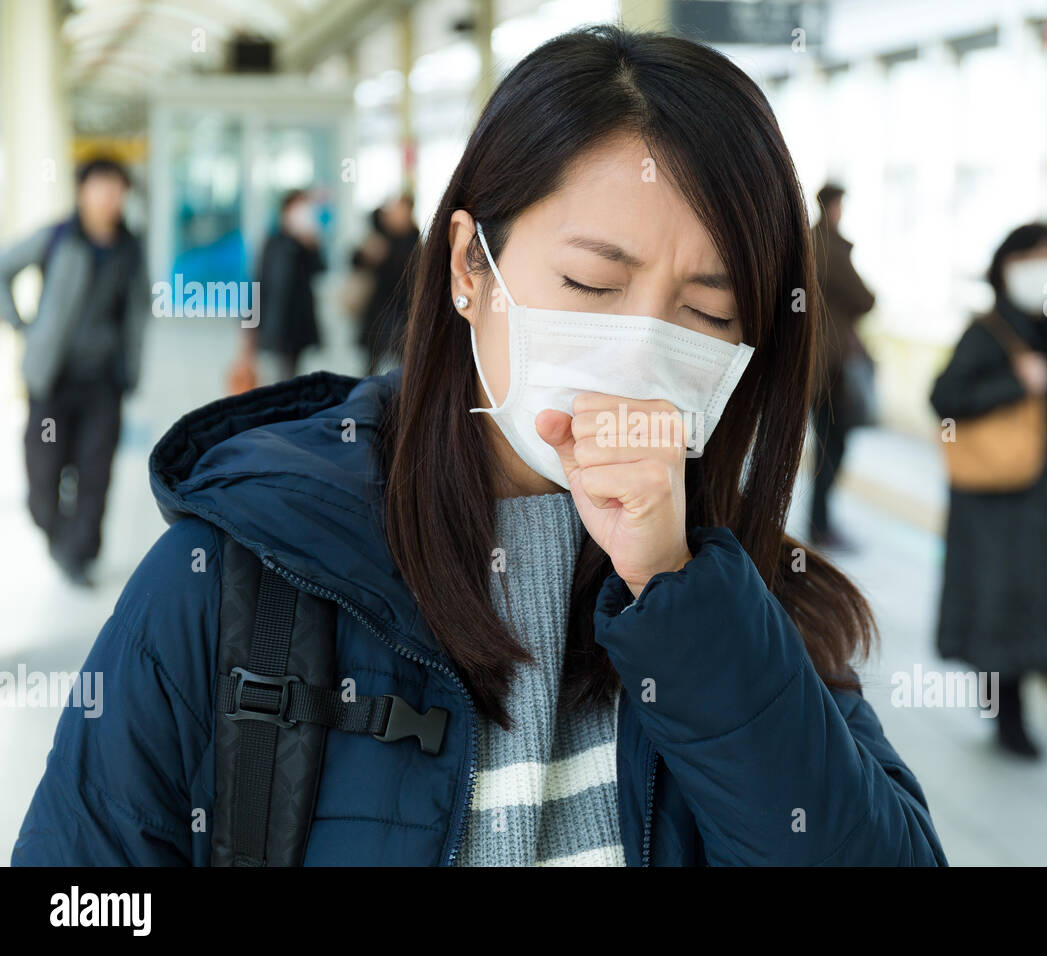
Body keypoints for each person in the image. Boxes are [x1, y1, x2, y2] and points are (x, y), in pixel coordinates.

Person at [12, 25, 946, 866]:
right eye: (590, 282)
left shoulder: (742, 602)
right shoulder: (228, 580)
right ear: (469, 266)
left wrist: (675, 589)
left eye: (706, 312)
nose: (636, 352)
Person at [929, 222, 1047, 760]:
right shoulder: (991, 331)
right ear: (1006, 266)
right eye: (1032, 256)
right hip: (992, 500)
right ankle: (1008, 717)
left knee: (1033, 602)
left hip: (1044, 495)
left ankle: (1010, 711)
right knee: (998, 605)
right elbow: (942, 396)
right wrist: (1016, 382)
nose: (1045, 268)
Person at [0, 156, 149, 587]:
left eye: (116, 187)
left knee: (95, 473)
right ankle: (58, 534)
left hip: (104, 382)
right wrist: (23, 326)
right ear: (81, 191)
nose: (108, 197)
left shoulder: (131, 248)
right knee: (43, 480)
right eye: (99, 187)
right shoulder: (57, 238)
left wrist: (131, 365)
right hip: (54, 382)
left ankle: (79, 555)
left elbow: (138, 310)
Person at [809, 182, 876, 550]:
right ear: (832, 206)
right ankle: (820, 526)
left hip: (815, 367)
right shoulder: (830, 246)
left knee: (825, 447)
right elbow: (865, 298)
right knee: (831, 448)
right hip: (831, 368)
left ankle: (819, 523)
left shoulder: (807, 242)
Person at [242, 188, 325, 382]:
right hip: (277, 319)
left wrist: (312, 244)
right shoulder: (273, 242)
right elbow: (260, 282)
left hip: (300, 321)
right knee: (282, 371)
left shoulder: (308, 243)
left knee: (292, 369)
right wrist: (249, 323)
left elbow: (321, 270)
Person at [351, 193, 420, 374]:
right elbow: (355, 261)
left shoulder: (413, 238)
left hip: (402, 311)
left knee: (403, 364)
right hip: (378, 308)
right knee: (371, 363)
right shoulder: (380, 235)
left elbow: (411, 272)